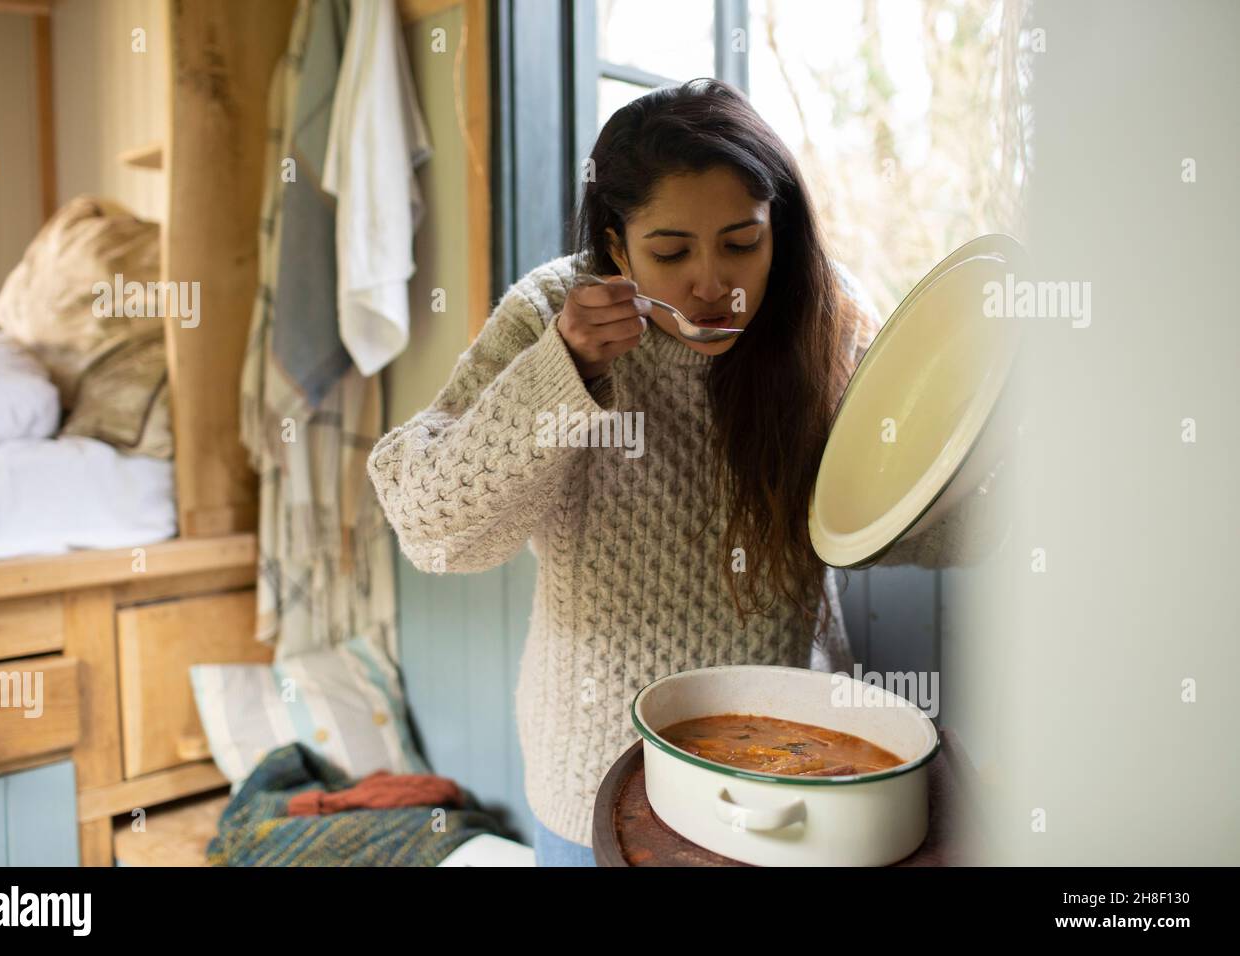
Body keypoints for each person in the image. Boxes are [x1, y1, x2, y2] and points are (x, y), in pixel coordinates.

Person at [368, 78, 888, 866]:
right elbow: (432, 527)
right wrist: (562, 371)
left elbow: (907, 518)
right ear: (615, 244)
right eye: (672, 251)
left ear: (778, 226)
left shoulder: (827, 313)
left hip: (791, 757)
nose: (713, 283)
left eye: (742, 242)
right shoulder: (552, 311)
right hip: (598, 778)